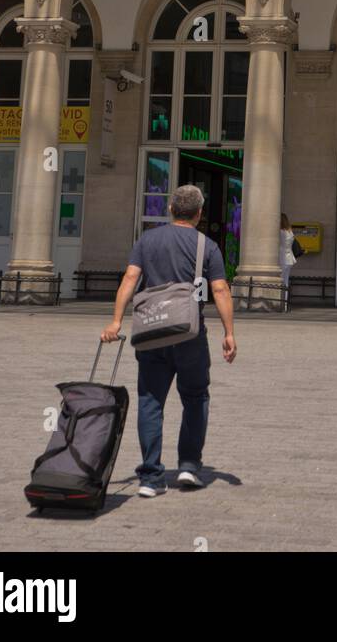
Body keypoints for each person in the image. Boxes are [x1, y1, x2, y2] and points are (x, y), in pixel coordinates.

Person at [102, 184, 236, 498]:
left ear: (171, 210)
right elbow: (219, 291)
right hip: (190, 334)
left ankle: (150, 477)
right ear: (199, 214)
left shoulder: (147, 241)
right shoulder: (208, 246)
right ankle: (189, 465)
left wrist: (116, 321)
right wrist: (229, 333)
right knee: (195, 397)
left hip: (151, 333)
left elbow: (130, 279)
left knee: (150, 401)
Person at [279, 212, 297, 300]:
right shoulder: (290, 232)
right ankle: (285, 302)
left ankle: (280, 301)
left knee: (280, 280)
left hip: (282, 258)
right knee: (285, 281)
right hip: (289, 259)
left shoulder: (281, 232)